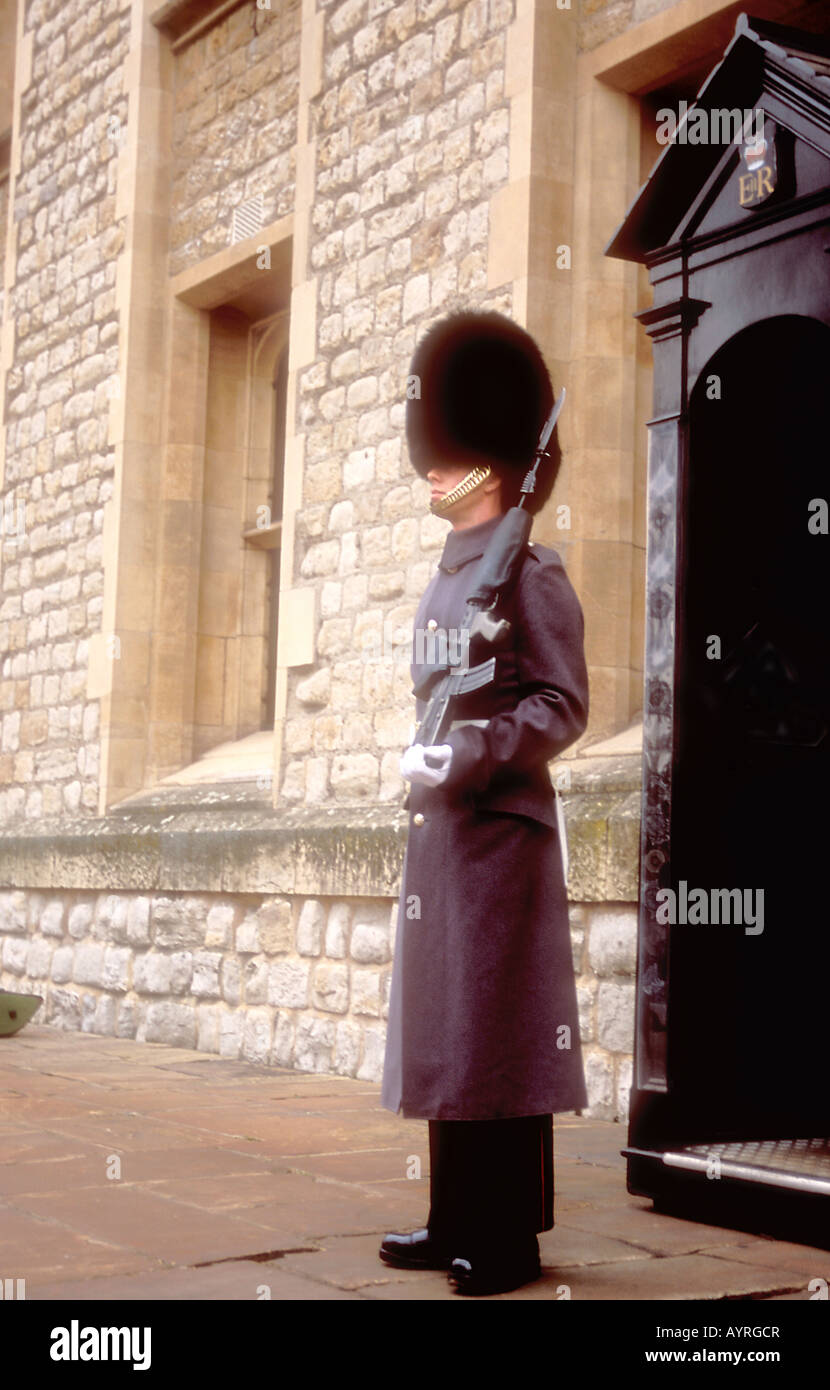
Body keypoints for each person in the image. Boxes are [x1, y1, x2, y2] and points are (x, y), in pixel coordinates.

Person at [379, 310, 590, 1296]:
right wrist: (422, 752)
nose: (430, 466)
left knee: (498, 1035)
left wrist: (467, 751)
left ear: (494, 461)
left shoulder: (531, 570)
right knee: (445, 1030)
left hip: (498, 839)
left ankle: (505, 1235)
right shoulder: (452, 572)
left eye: (451, 450)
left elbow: (560, 705)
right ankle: (450, 1215)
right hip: (442, 836)